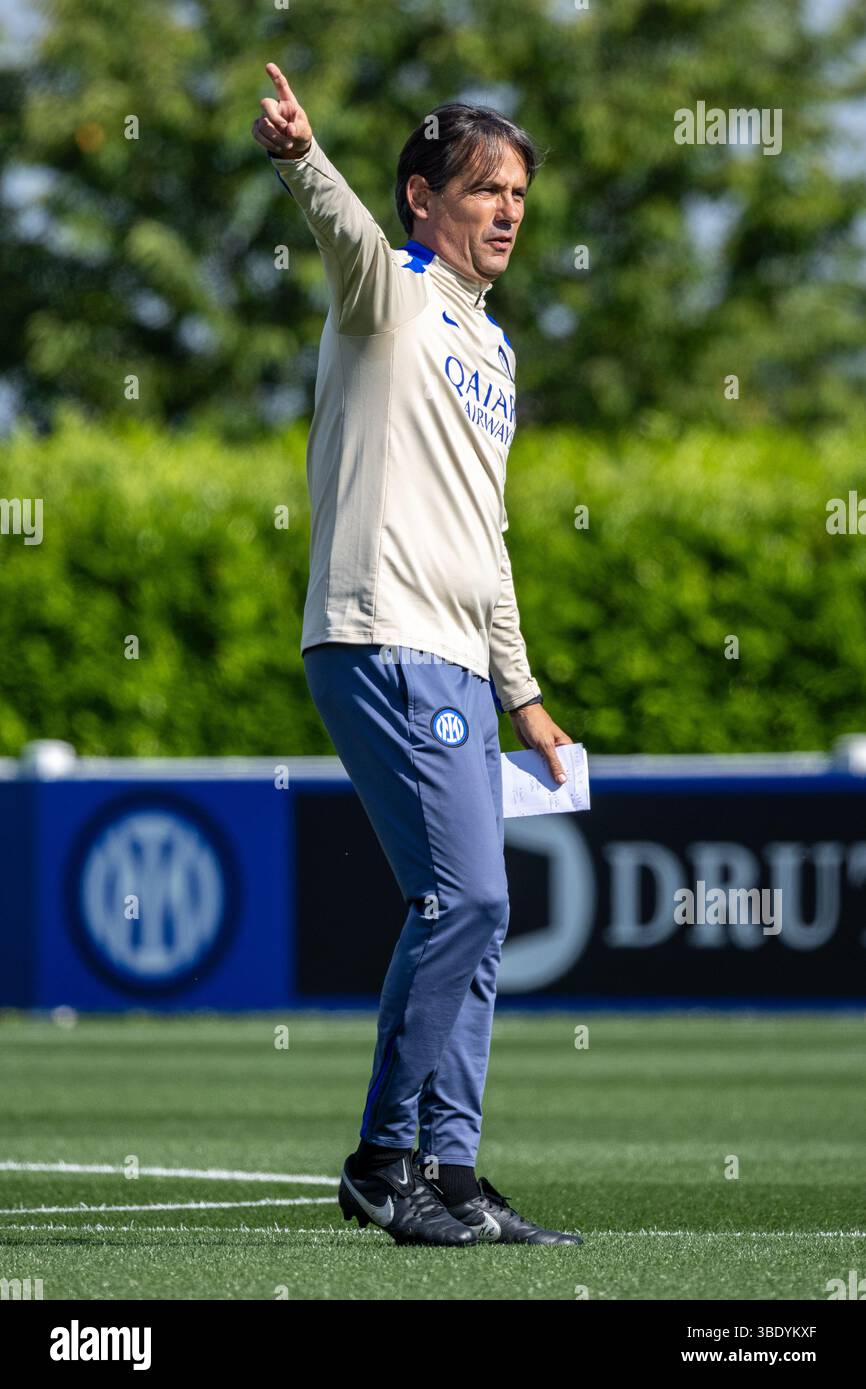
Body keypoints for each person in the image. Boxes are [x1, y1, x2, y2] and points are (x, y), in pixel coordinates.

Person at [252, 62, 581, 1247]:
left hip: (457, 661)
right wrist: (302, 157)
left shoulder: (493, 349)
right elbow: (340, 227)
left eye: (518, 195)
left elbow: (487, 539)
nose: (506, 210)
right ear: (421, 197)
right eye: (485, 188)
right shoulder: (383, 292)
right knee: (465, 898)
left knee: (476, 920)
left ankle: (449, 1171)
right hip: (380, 635)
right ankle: (382, 1161)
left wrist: (523, 694)